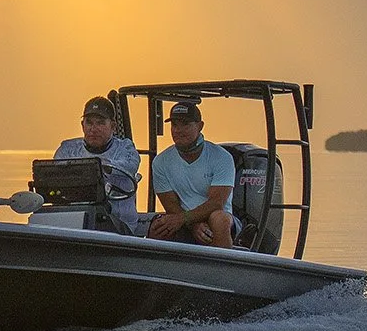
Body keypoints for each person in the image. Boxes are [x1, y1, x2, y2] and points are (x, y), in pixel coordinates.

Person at [147, 100, 237, 247]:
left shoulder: (222, 157)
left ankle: (223, 267)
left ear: (200, 126)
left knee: (219, 219)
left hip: (217, 218)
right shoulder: (161, 161)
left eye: (185, 124)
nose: (178, 130)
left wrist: (184, 219)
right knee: (158, 227)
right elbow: (170, 205)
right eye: (174, 125)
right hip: (182, 218)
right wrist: (193, 226)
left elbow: (217, 203)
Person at [53, 97, 144, 233]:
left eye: (100, 123)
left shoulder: (126, 149)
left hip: (119, 225)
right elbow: (54, 174)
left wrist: (98, 166)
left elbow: (129, 167)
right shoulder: (67, 149)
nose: (93, 129)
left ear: (113, 126)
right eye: (89, 123)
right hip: (74, 220)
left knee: (96, 220)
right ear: (82, 125)